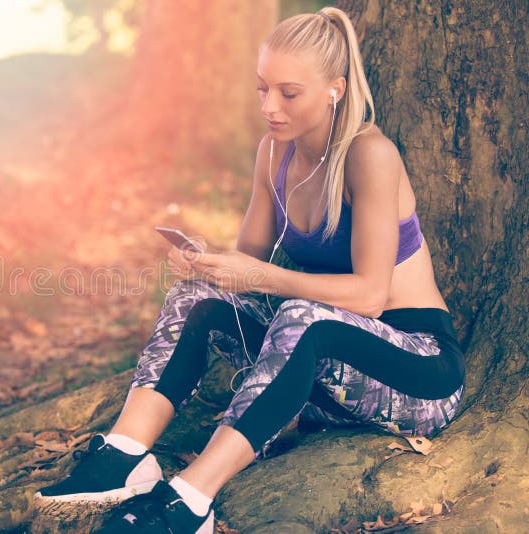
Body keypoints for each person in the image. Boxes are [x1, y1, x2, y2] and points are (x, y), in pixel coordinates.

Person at [34, 7, 466, 533]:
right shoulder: (273, 154)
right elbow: (248, 267)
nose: (270, 106)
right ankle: (124, 456)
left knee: (306, 317)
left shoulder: (369, 155)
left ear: (335, 88)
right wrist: (206, 265)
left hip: (417, 373)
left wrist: (260, 278)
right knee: (198, 298)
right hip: (324, 384)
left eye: (289, 92)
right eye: (263, 89)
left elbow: (370, 296)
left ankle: (190, 500)